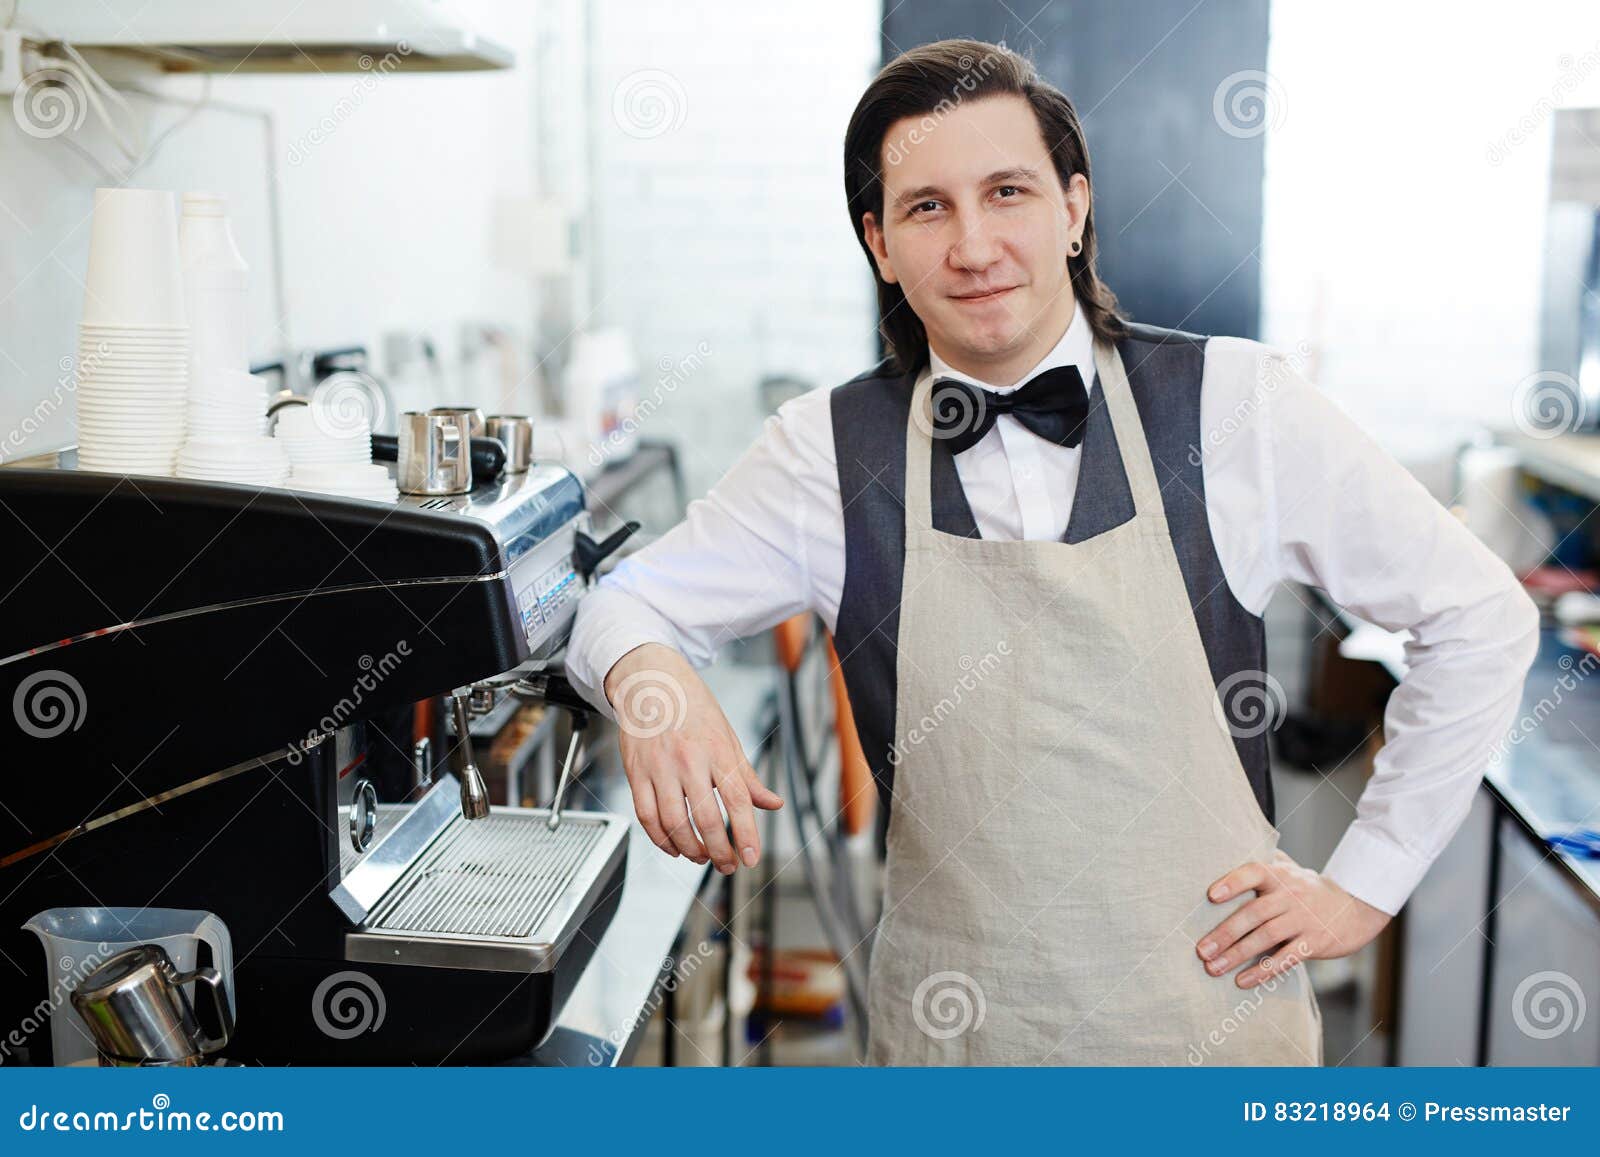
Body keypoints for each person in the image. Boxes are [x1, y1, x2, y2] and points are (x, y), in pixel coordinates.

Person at [564, 38, 1540, 1065]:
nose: (974, 244)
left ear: (1072, 210)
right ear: (880, 244)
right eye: (926, 206)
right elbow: (619, 603)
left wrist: (1365, 882)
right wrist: (651, 681)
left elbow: (1481, 616)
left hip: (1208, 1039)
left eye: (1008, 192)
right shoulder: (826, 451)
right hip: (959, 1049)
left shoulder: (1236, 406)